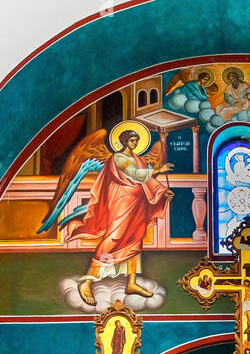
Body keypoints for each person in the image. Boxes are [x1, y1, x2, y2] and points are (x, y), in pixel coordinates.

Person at [66, 123, 173, 306]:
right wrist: (157, 170)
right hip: (121, 201)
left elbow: (146, 182)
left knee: (134, 239)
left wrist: (162, 192)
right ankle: (87, 282)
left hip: (137, 202)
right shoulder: (118, 158)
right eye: (132, 140)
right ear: (124, 141)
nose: (135, 143)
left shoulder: (138, 159)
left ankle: (131, 283)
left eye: (136, 140)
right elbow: (134, 174)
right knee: (113, 238)